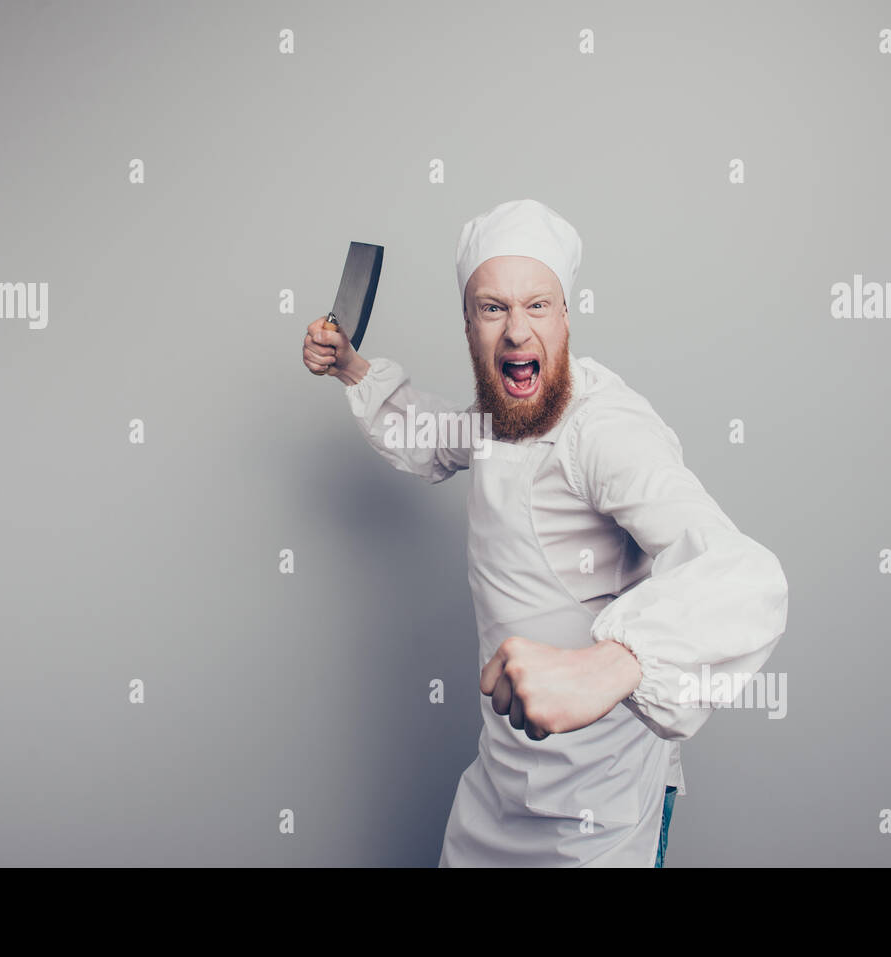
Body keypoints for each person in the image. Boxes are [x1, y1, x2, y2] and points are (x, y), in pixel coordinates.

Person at [302, 198, 789, 867]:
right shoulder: (498, 414)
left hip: (598, 822)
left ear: (566, 316)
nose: (515, 330)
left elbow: (743, 574)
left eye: (537, 305)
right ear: (468, 324)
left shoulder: (605, 429)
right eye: (493, 307)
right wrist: (352, 368)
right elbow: (432, 438)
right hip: (497, 796)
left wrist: (610, 665)